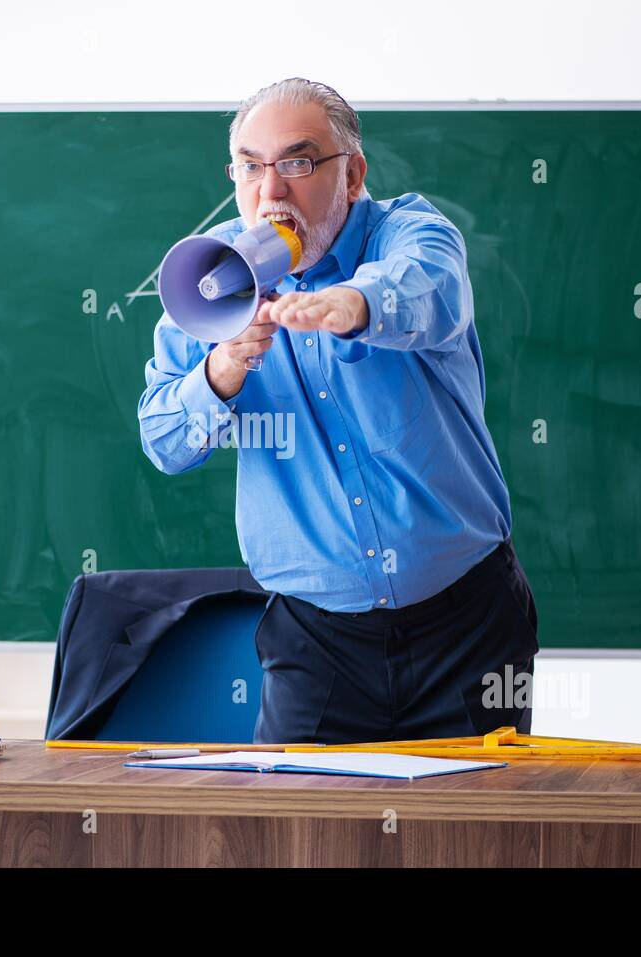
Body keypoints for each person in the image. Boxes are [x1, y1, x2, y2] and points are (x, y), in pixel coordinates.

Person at [137, 77, 538, 744]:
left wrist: (354, 304)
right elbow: (165, 441)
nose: (271, 191)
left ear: (353, 175)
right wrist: (219, 372)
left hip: (469, 625)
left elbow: (427, 288)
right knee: (295, 838)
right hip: (315, 644)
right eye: (251, 166)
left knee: (479, 832)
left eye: (296, 162)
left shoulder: (409, 232)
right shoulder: (213, 280)